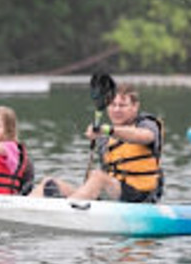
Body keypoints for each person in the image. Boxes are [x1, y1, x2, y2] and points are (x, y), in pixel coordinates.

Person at [32, 83, 164, 203]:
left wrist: (107, 130)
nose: (116, 110)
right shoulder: (104, 138)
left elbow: (146, 136)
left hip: (141, 197)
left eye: (122, 105)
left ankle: (65, 211)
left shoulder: (147, 124)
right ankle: (23, 209)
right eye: (113, 105)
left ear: (135, 107)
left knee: (98, 177)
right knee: (49, 183)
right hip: (114, 194)